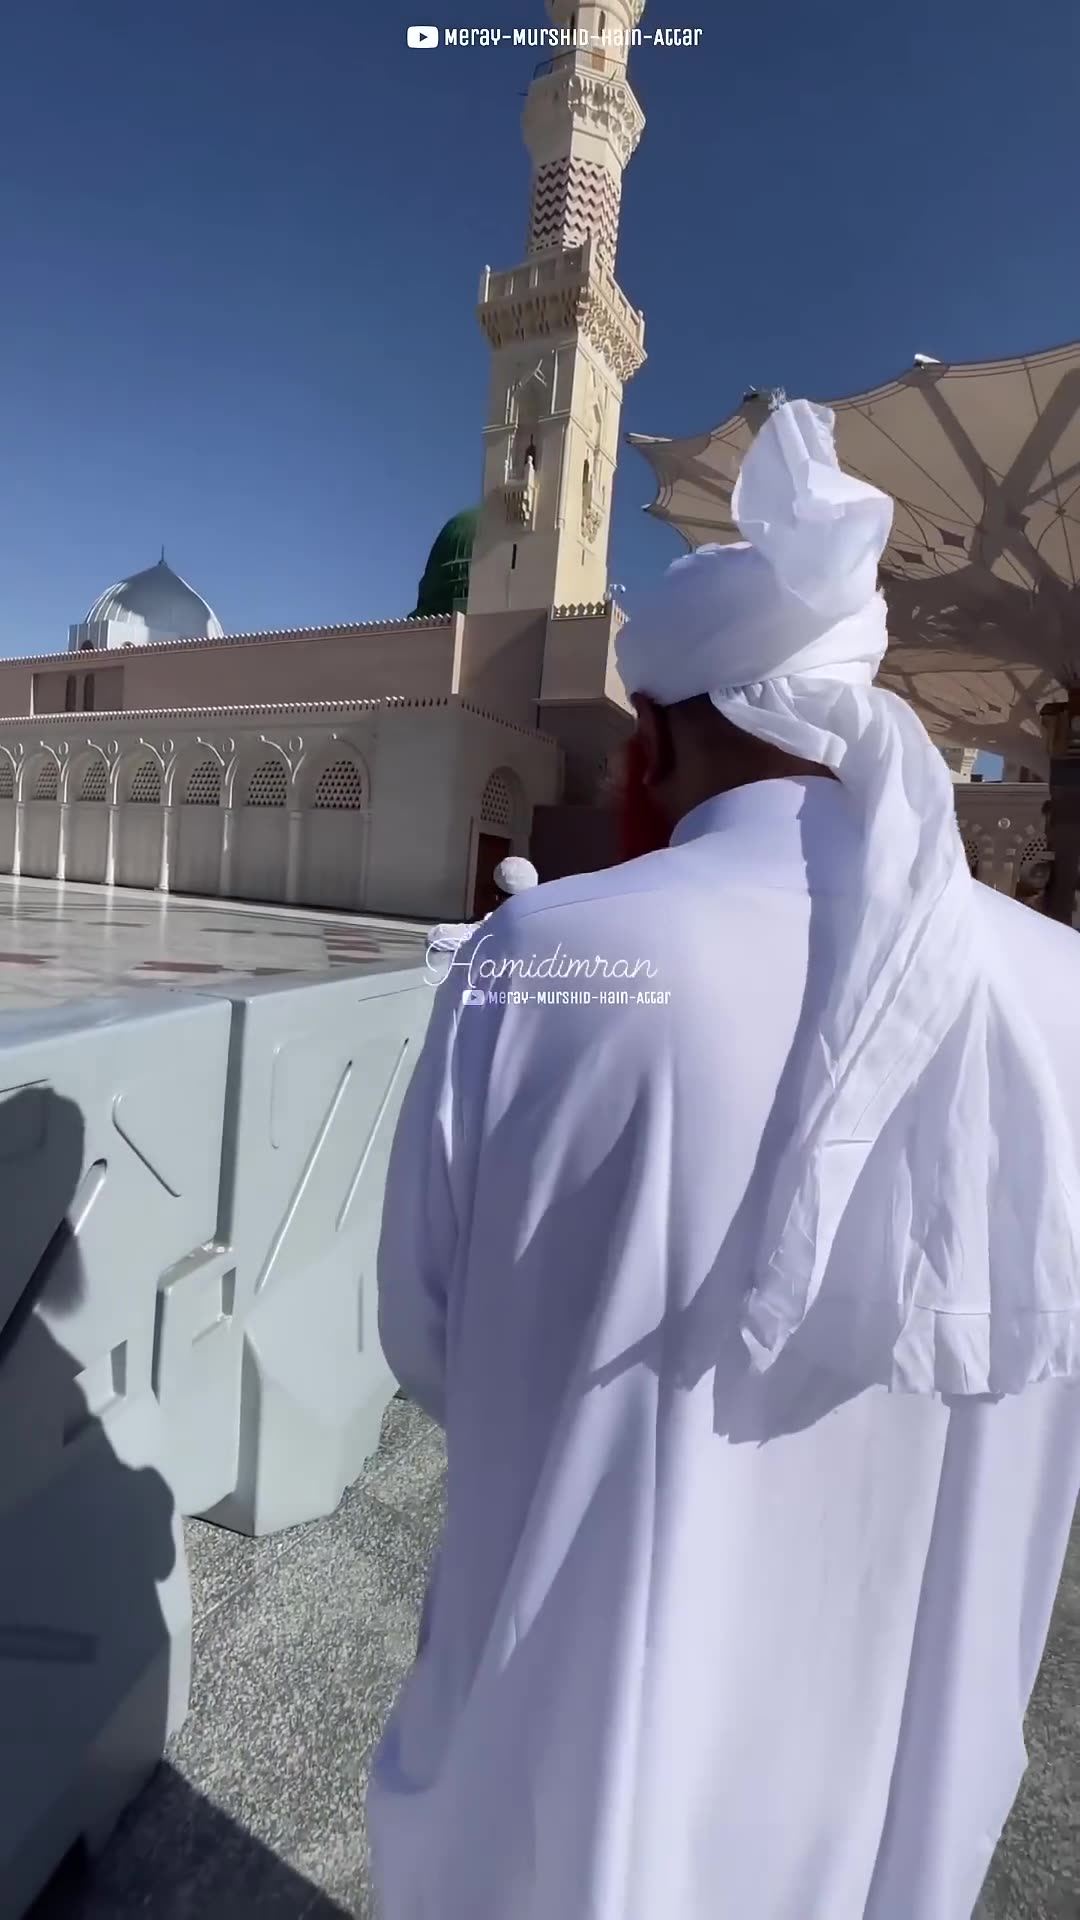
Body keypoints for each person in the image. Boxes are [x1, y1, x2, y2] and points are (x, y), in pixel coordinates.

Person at [370, 399, 1080, 1920]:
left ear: (665, 734)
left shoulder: (545, 961)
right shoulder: (1061, 999)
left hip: (572, 1799)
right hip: (885, 1824)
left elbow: (429, 1342)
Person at [426, 855, 538, 957]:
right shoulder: (544, 921)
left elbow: (436, 937)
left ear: (495, 894)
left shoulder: (494, 927)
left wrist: (480, 918)